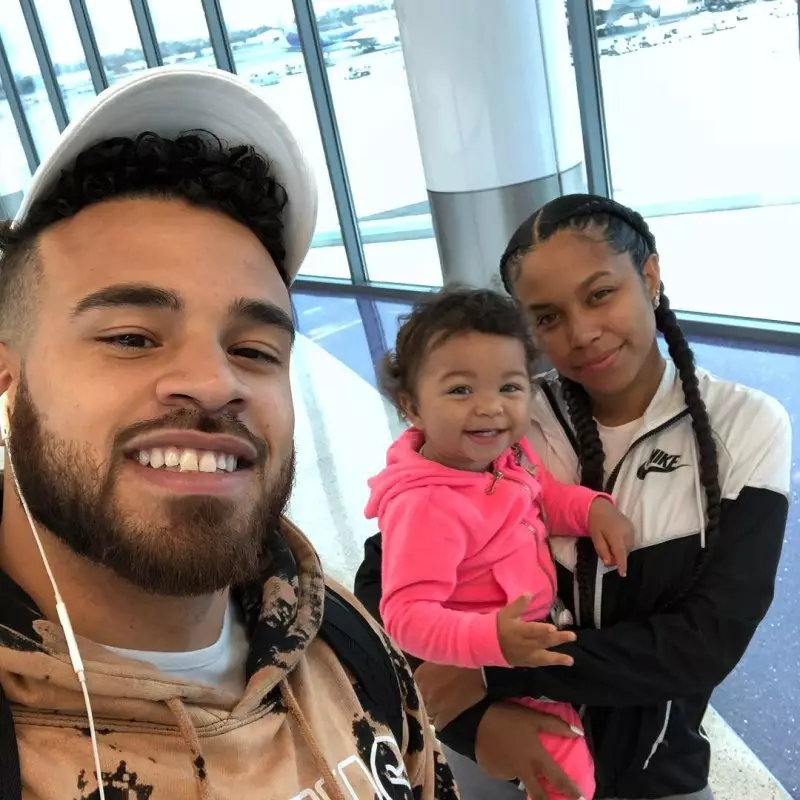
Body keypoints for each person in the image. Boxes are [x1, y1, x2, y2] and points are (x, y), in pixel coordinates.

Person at [0, 67, 456, 800]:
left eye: (254, 350)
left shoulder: (338, 632)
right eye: (130, 336)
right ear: (7, 379)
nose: (216, 383)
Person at [355, 194, 791, 800]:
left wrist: (492, 672)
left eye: (600, 294)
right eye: (548, 317)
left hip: (654, 764)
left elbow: (703, 642)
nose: (582, 333)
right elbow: (383, 573)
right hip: (503, 754)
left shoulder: (742, 425)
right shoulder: (508, 413)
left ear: (650, 276)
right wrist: (478, 719)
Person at [367, 287, 638, 800]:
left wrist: (589, 508)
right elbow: (405, 614)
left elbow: (542, 496)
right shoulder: (426, 505)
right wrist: (491, 642)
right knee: (568, 775)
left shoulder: (504, 458)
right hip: (484, 657)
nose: (490, 408)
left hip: (521, 646)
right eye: (461, 391)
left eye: (510, 388)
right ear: (412, 407)